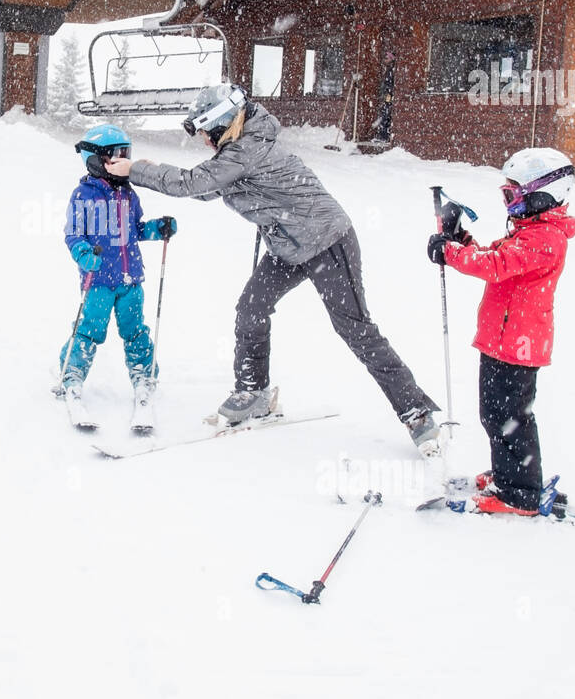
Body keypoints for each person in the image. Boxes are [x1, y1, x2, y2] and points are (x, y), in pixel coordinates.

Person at [104, 83, 440, 454]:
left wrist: (136, 170)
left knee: (355, 329)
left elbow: (192, 183)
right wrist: (148, 170)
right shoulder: (238, 149)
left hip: (328, 241)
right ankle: (253, 391)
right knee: (251, 308)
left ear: (220, 125)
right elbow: (203, 189)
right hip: (288, 245)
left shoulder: (247, 150)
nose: (202, 140)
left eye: (204, 132)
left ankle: (416, 411)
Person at [426, 147, 575, 514]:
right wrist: (459, 238)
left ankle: (519, 492)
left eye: (513, 195)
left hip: (519, 345)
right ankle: (509, 473)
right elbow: (489, 254)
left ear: (543, 195)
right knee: (496, 414)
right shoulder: (529, 232)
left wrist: (450, 253)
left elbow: (494, 265)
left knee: (509, 417)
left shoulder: (545, 239)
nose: (508, 203)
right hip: (503, 341)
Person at [58, 124, 177, 409]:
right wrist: (83, 252)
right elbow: (73, 234)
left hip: (131, 279)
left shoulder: (128, 194)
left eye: (127, 154)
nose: (124, 160)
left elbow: (133, 230)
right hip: (98, 280)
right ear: (96, 159)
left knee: (135, 330)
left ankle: (143, 375)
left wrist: (156, 229)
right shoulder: (83, 195)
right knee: (89, 330)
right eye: (116, 155)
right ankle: (72, 374)